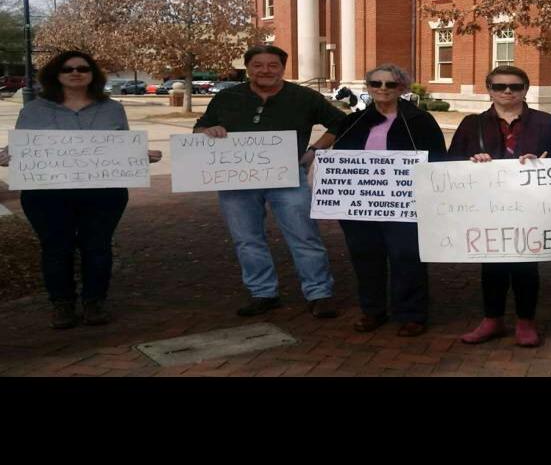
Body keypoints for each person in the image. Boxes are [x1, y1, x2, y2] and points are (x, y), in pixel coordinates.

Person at [0, 50, 162, 328]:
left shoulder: (112, 108)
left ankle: (94, 302)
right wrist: (6, 156)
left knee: (97, 247)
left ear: (92, 74)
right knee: (55, 248)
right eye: (67, 69)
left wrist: (139, 155)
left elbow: (120, 144)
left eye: (83, 68)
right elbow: (21, 149)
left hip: (102, 192)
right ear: (56, 75)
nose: (76, 73)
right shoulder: (34, 110)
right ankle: (61, 304)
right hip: (46, 193)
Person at [193, 45, 345, 318]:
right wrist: (208, 130)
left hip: (287, 177)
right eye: (258, 65)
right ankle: (263, 292)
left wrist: (314, 151)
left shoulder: (304, 97)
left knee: (304, 236)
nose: (265, 70)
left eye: (273, 65)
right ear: (248, 68)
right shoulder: (227, 97)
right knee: (247, 239)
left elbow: (340, 123)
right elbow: (201, 126)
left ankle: (319, 293)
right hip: (235, 179)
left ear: (283, 68)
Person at [446, 65, 551, 347]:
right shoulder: (471, 124)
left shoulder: (546, 122)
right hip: (487, 207)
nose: (507, 92)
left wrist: (542, 164)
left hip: (531, 206)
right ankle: (492, 319)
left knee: (527, 265)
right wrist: (472, 162)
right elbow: (450, 163)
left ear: (525, 89)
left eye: (515, 87)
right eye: (499, 86)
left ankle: (526, 321)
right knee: (491, 264)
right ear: (489, 89)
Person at [327, 64, 445, 336]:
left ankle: (412, 314)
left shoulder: (419, 121)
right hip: (360, 205)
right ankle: (372, 311)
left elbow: (437, 160)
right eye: (375, 84)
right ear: (368, 88)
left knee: (407, 257)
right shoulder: (354, 121)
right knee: (366, 257)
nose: (382, 89)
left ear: (401, 88)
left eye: (390, 84)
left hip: (405, 205)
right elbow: (339, 161)